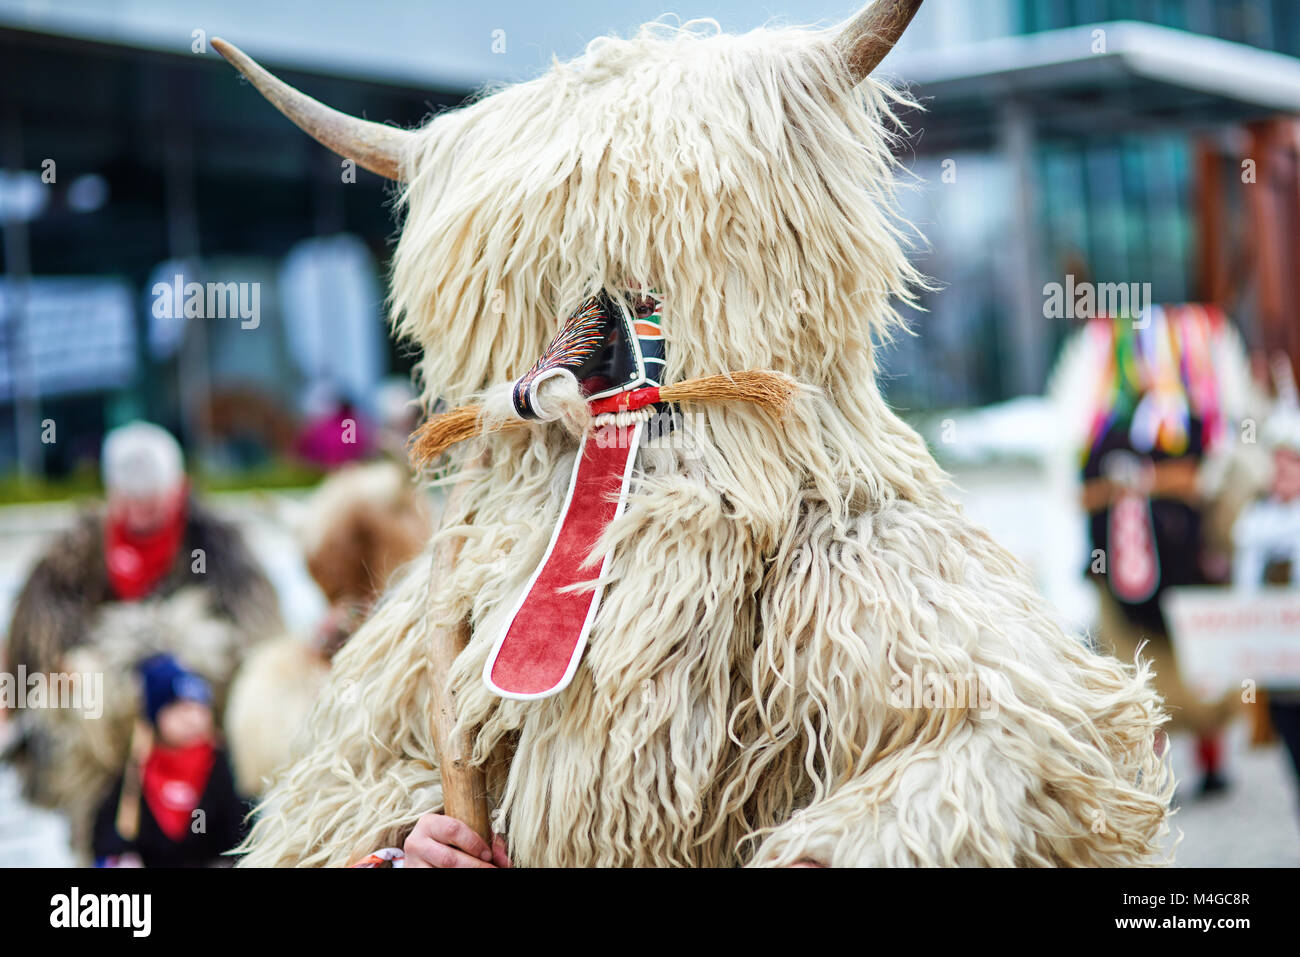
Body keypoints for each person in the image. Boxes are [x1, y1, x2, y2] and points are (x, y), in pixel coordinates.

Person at [4, 421, 280, 855]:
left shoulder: (217, 547)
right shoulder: (70, 557)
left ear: (180, 489)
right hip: (102, 741)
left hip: (201, 718)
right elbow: (30, 653)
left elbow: (259, 635)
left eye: (151, 502)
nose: (140, 514)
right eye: (129, 500)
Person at [92, 654, 247, 867]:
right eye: (178, 708)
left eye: (199, 706)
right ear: (155, 716)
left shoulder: (221, 766)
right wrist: (119, 855)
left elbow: (239, 827)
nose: (192, 718)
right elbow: (112, 832)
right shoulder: (138, 772)